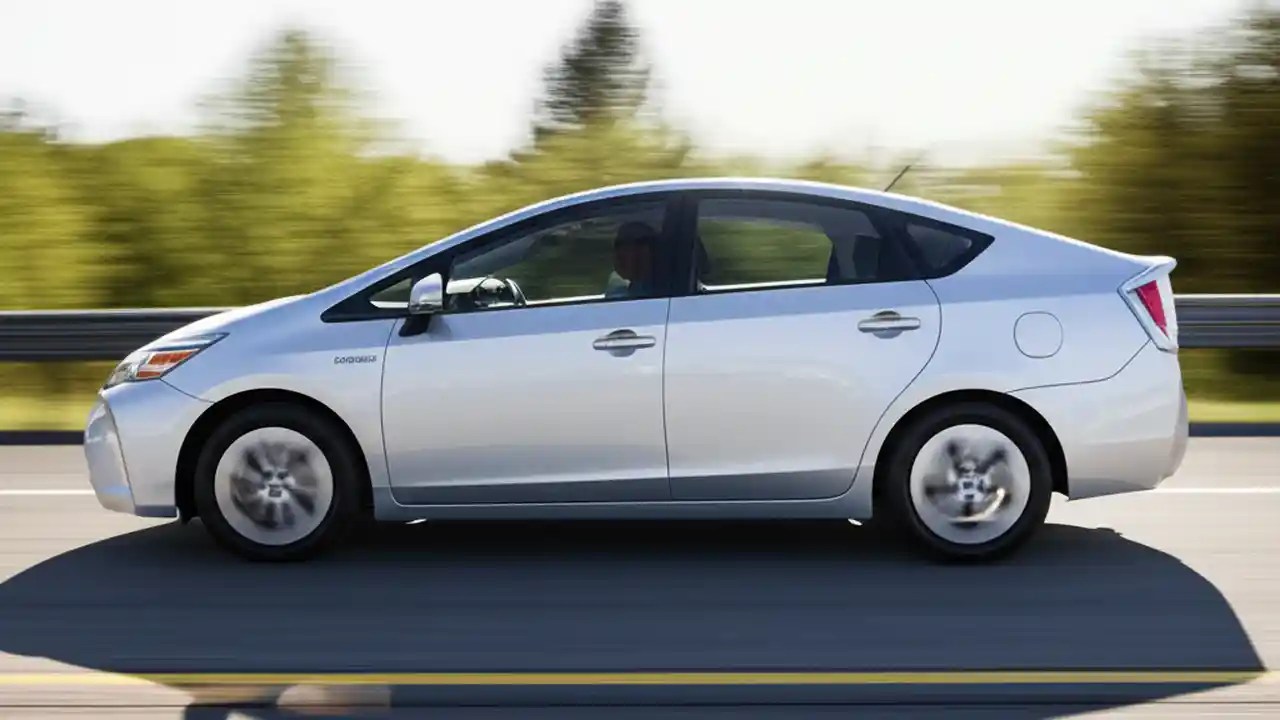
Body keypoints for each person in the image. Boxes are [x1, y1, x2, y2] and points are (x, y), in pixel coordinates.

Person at [604, 221, 658, 299]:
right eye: (617, 246)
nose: (617, 255)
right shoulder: (628, 287)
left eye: (625, 247)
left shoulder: (656, 292)